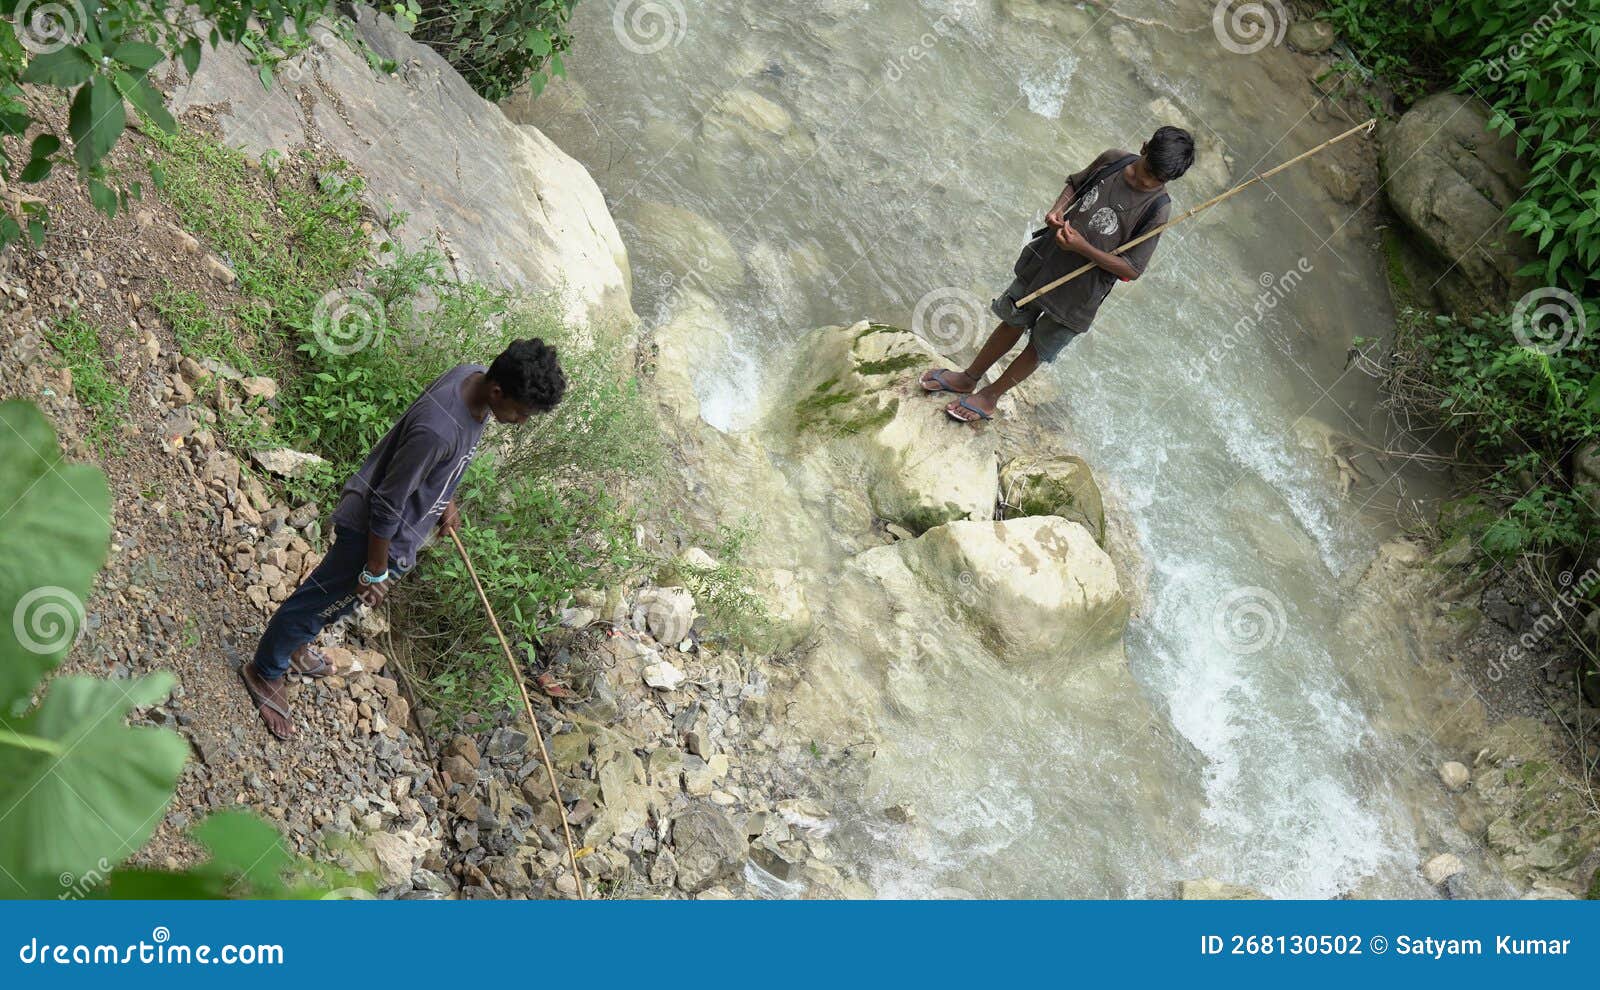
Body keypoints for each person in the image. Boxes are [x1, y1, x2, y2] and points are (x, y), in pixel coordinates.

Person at [240, 339, 567, 739]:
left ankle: (294, 646)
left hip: (393, 532)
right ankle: (265, 670)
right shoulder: (437, 429)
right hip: (372, 534)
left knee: (337, 603)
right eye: (522, 413)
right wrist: (375, 569)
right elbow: (386, 501)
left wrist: (444, 498)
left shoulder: (472, 380)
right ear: (498, 391)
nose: (521, 422)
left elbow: (432, 466)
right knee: (321, 601)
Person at [921, 126, 1195, 422]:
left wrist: (1083, 248)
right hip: (1048, 260)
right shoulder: (1113, 160)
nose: (1147, 181)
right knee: (1013, 319)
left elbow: (1132, 268)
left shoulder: (1157, 209)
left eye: (1158, 179)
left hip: (1081, 292)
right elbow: (1075, 184)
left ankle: (990, 397)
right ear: (1143, 148)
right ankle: (969, 377)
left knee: (1039, 346)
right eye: (1148, 170)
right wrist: (1058, 210)